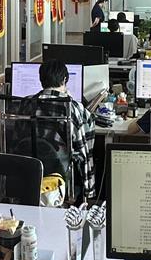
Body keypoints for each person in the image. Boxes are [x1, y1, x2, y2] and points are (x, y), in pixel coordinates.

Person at [15, 57, 96, 199]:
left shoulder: (25, 103)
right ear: (64, 80)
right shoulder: (72, 107)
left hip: (28, 173)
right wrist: (89, 189)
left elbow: (16, 139)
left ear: (41, 79)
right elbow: (83, 151)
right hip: (59, 175)